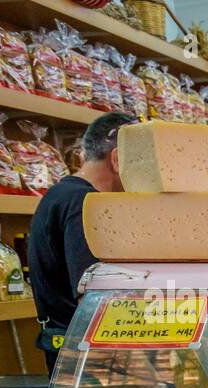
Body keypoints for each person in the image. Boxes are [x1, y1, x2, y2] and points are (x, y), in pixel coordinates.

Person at [27, 111, 137, 373]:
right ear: (118, 159)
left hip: (81, 356)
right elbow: (93, 296)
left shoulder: (61, 195)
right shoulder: (84, 204)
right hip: (92, 363)